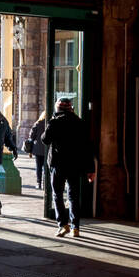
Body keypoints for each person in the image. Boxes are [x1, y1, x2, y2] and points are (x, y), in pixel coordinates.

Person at [41, 97, 95, 238]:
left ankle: (62, 225)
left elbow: (45, 139)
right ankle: (75, 227)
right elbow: (88, 147)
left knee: (57, 195)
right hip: (75, 165)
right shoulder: (80, 123)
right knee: (73, 196)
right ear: (71, 108)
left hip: (58, 165)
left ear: (57, 108)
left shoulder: (54, 122)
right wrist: (91, 169)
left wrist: (51, 122)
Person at [29, 110, 49, 189]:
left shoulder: (37, 123)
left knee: (38, 167)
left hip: (37, 149)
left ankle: (39, 182)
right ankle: (45, 182)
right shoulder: (50, 123)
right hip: (47, 149)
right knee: (46, 166)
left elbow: (32, 136)